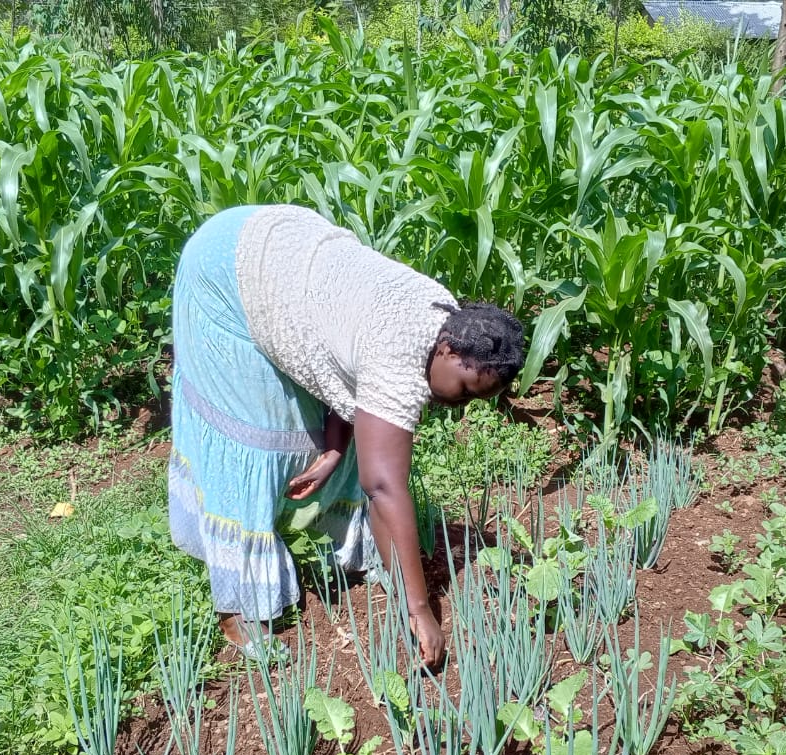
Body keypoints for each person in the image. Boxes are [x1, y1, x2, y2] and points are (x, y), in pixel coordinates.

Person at [167, 204, 525, 669]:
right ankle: (239, 610)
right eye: (464, 389)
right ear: (446, 347)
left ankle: (350, 551)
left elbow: (346, 361)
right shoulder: (399, 354)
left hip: (284, 252)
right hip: (227, 273)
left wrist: (335, 447)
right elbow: (384, 487)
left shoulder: (448, 318)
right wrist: (420, 608)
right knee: (253, 439)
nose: (461, 404)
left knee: (363, 441)